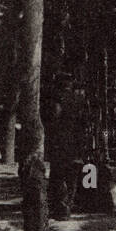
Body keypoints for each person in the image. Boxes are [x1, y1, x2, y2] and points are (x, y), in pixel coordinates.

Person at [46, 72, 88, 218]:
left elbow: (54, 116)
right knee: (72, 175)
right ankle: (67, 205)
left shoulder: (57, 98)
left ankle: (61, 207)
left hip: (60, 141)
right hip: (76, 141)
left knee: (58, 174)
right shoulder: (79, 99)